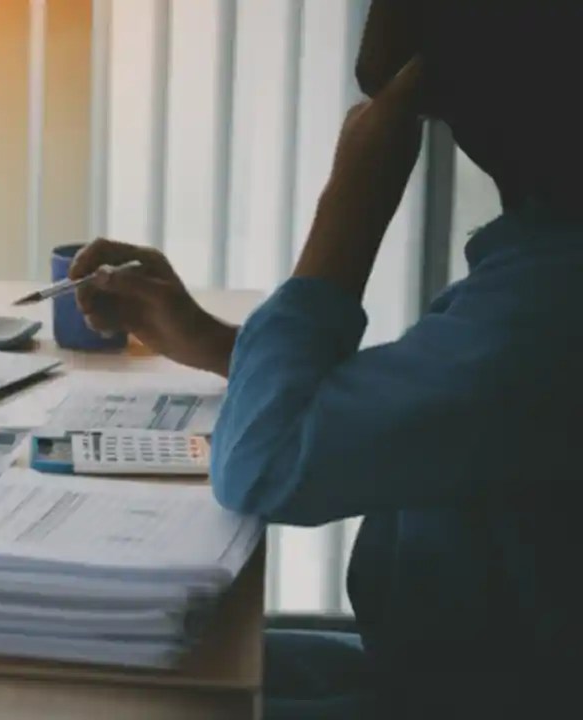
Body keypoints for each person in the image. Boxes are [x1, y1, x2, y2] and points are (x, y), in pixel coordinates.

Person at [69, 1, 580, 717]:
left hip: (471, 693)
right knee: (125, 664)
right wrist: (216, 344)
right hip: (449, 664)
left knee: (99, 688)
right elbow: (436, 406)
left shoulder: (549, 299)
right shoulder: (540, 264)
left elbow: (264, 465)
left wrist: (352, 201)